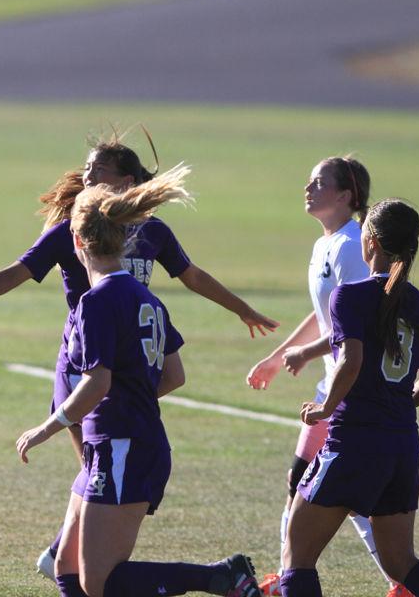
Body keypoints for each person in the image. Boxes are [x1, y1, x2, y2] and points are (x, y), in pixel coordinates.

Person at [0, 134, 277, 576]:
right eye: (87, 169)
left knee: (105, 468)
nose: (86, 176)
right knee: (94, 465)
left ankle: (68, 557)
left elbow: (194, 277)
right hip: (83, 361)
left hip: (128, 352)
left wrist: (242, 309)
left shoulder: (152, 234)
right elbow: (22, 267)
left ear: (125, 180)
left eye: (97, 170)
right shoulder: (77, 227)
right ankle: (69, 555)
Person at [15, 166, 263, 597]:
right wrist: (125, 395)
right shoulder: (147, 297)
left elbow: (96, 383)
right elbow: (174, 375)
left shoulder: (95, 301)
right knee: (66, 566)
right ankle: (220, 576)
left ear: (77, 243)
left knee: (102, 583)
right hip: (118, 444)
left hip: (121, 447)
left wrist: (46, 427)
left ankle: (221, 576)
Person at [278, 199, 419, 597]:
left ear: (372, 242)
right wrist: (393, 405)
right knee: (401, 562)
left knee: (298, 555)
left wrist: (326, 408)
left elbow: (352, 361)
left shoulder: (350, 296)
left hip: (353, 442)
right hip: (402, 445)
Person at [244, 158, 405, 597]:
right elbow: (326, 315)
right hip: (331, 384)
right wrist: (278, 358)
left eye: (319, 183)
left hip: (351, 389)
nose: (308, 188)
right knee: (306, 484)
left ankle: (397, 582)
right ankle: (290, 576)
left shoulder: (353, 245)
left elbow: (361, 319)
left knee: (338, 493)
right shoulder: (325, 245)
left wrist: (306, 353)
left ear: (347, 196)